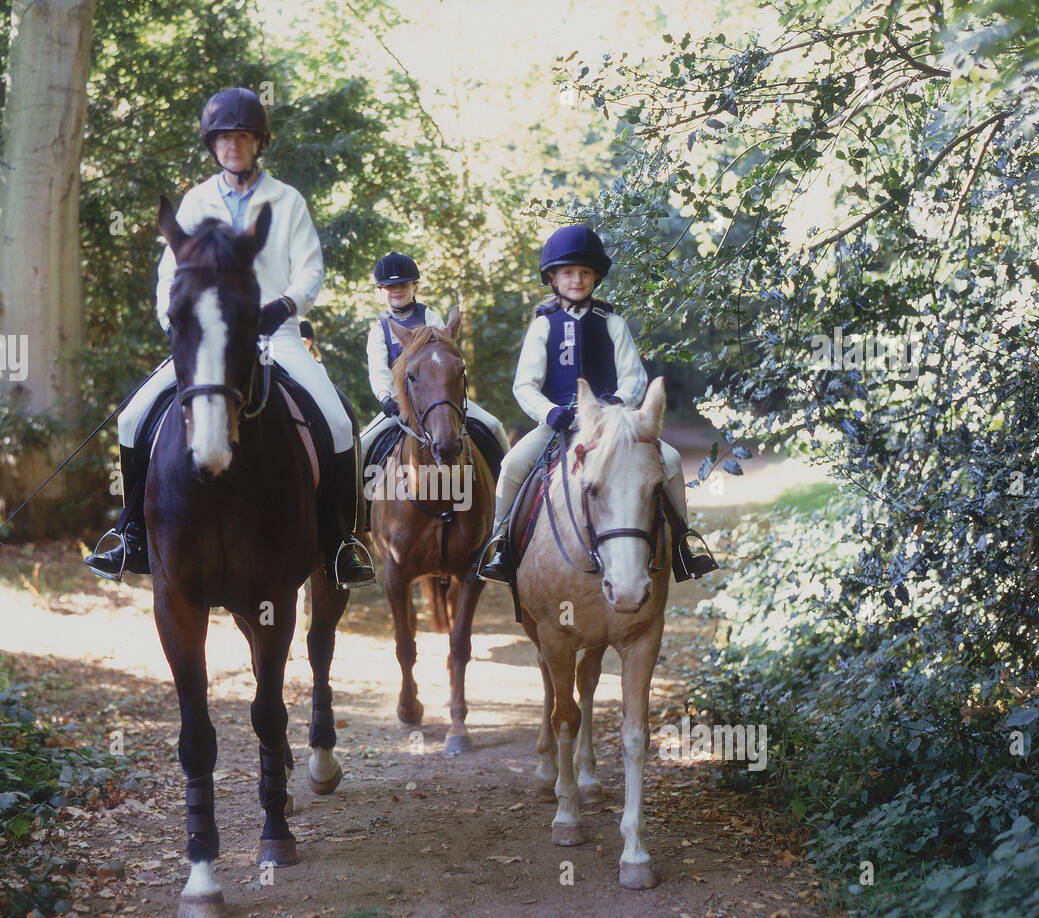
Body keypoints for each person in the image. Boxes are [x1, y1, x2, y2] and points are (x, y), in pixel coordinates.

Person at [85, 87, 374, 588]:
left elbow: (310, 270)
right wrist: (177, 325)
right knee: (133, 417)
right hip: (208, 338)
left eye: (242, 137)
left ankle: (340, 541)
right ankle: (131, 534)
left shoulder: (286, 201)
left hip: (276, 332)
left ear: (258, 142)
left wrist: (284, 305)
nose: (232, 147)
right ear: (212, 146)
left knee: (339, 421)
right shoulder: (196, 201)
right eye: (223, 139)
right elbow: (169, 273)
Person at [478, 224, 718, 584]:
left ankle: (684, 545)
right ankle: (501, 545)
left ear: (595, 278)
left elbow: (634, 377)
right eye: (568, 272)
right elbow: (525, 385)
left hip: (611, 424)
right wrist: (549, 411)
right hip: (557, 422)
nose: (577, 279)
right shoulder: (543, 327)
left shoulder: (613, 323)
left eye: (585, 272)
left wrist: (618, 401)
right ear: (553, 278)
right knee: (512, 464)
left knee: (667, 460)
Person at [359, 251, 510, 462]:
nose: (397, 291)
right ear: (381, 291)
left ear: (415, 288)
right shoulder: (379, 328)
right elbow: (378, 368)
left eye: (403, 285)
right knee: (362, 445)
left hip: (440, 396)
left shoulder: (430, 317)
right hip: (399, 403)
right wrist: (385, 398)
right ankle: (357, 496)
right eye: (390, 287)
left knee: (493, 426)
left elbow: (444, 357)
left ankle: (504, 488)